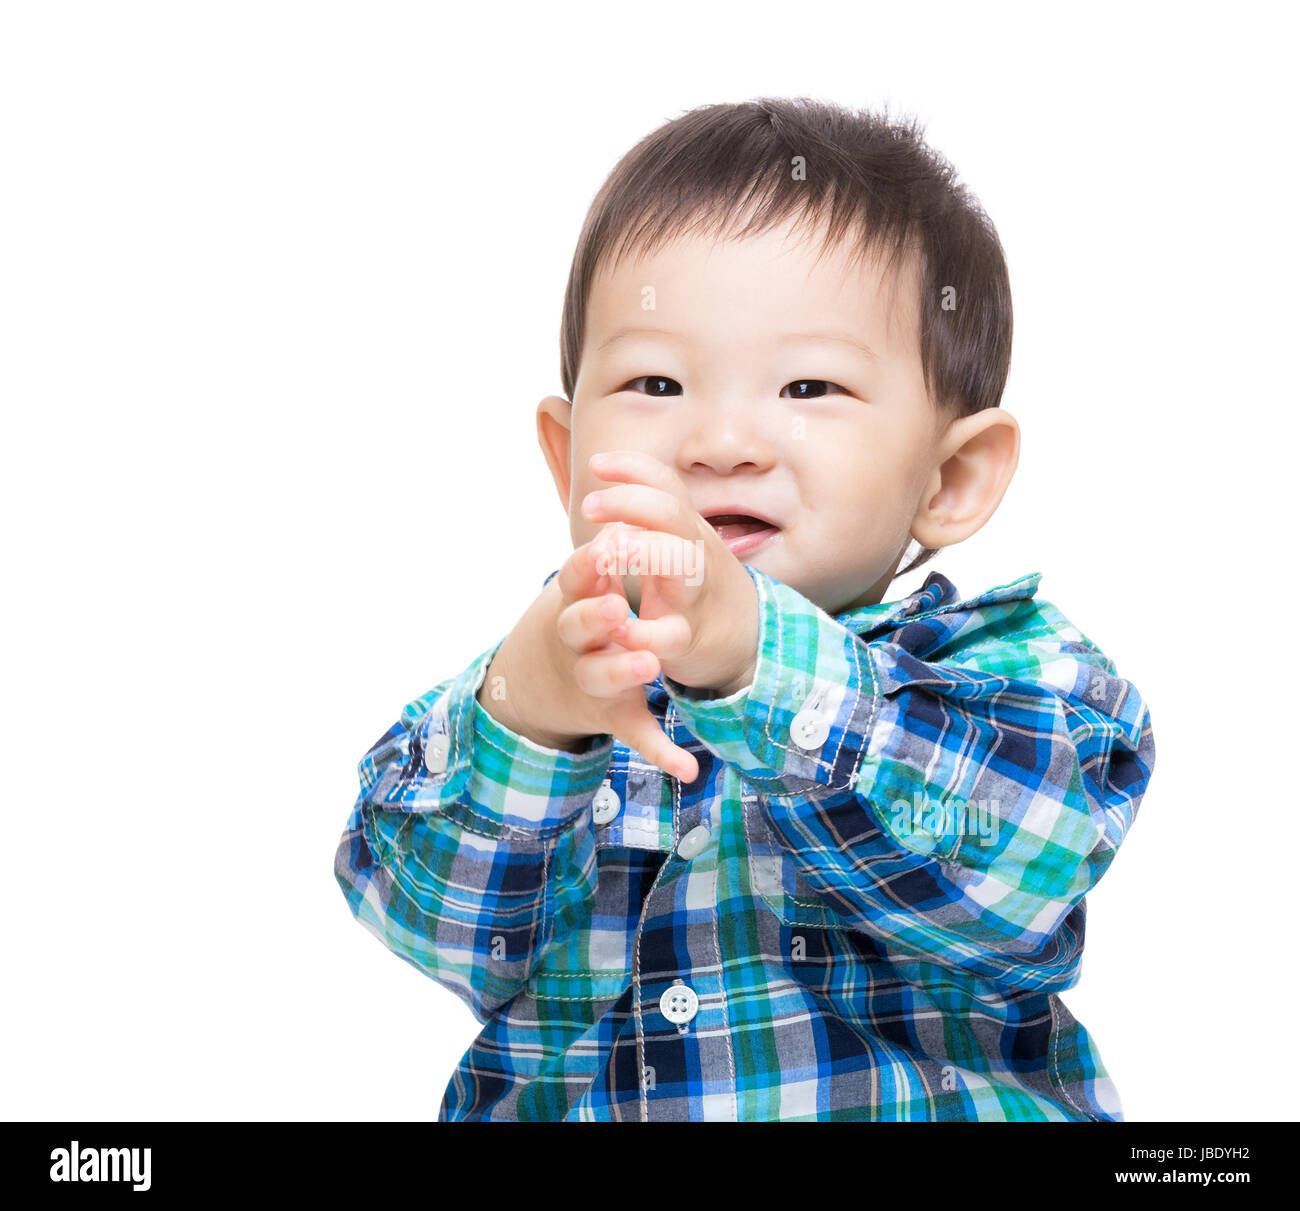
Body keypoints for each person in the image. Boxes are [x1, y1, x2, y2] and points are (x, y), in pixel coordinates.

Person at [333, 96, 1156, 1121]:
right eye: (656, 380)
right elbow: (429, 920)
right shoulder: (559, 685)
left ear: (950, 477)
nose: (721, 440)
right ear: (566, 455)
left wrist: (755, 657)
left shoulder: (1017, 676)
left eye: (808, 386)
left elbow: (1021, 857)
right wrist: (530, 713)